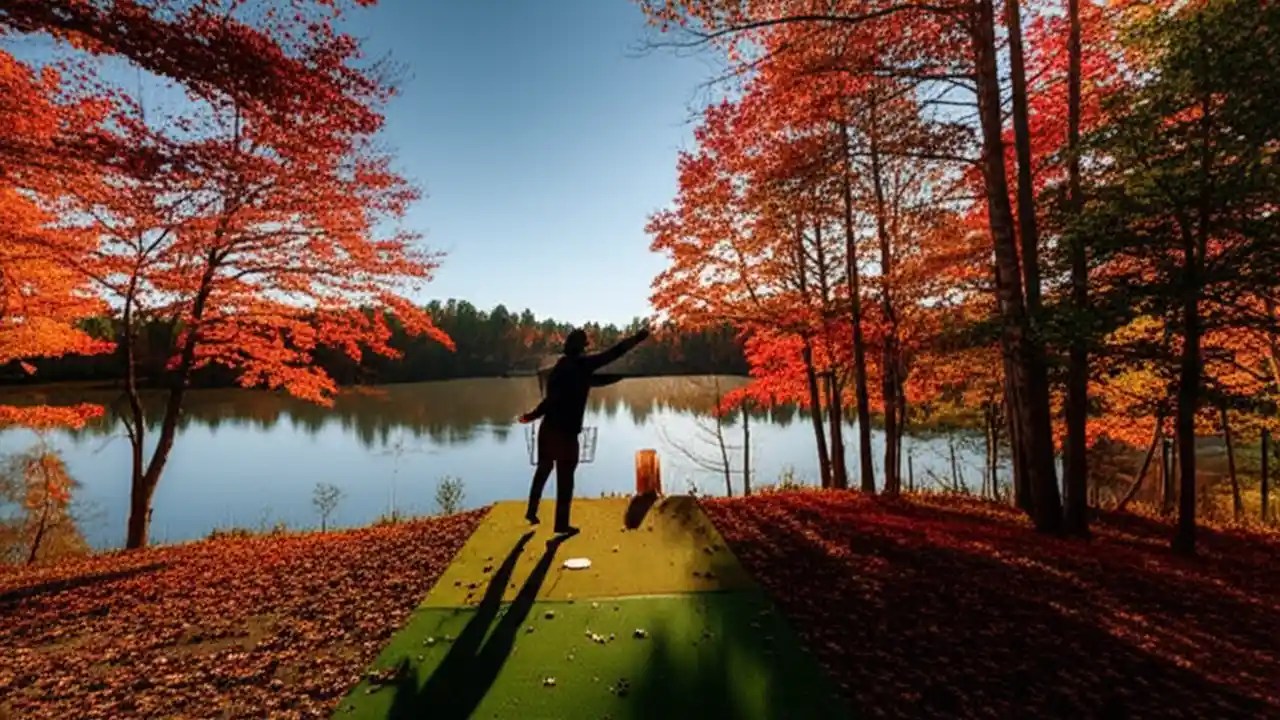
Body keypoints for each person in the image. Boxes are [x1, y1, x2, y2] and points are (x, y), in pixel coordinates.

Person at [518, 326, 651, 535]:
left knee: (542, 471)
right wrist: (638, 338)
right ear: (582, 348)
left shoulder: (559, 368)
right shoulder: (583, 366)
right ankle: (561, 524)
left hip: (548, 429)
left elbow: (552, 399)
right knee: (565, 479)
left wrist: (532, 416)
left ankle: (531, 511)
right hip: (567, 434)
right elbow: (614, 353)